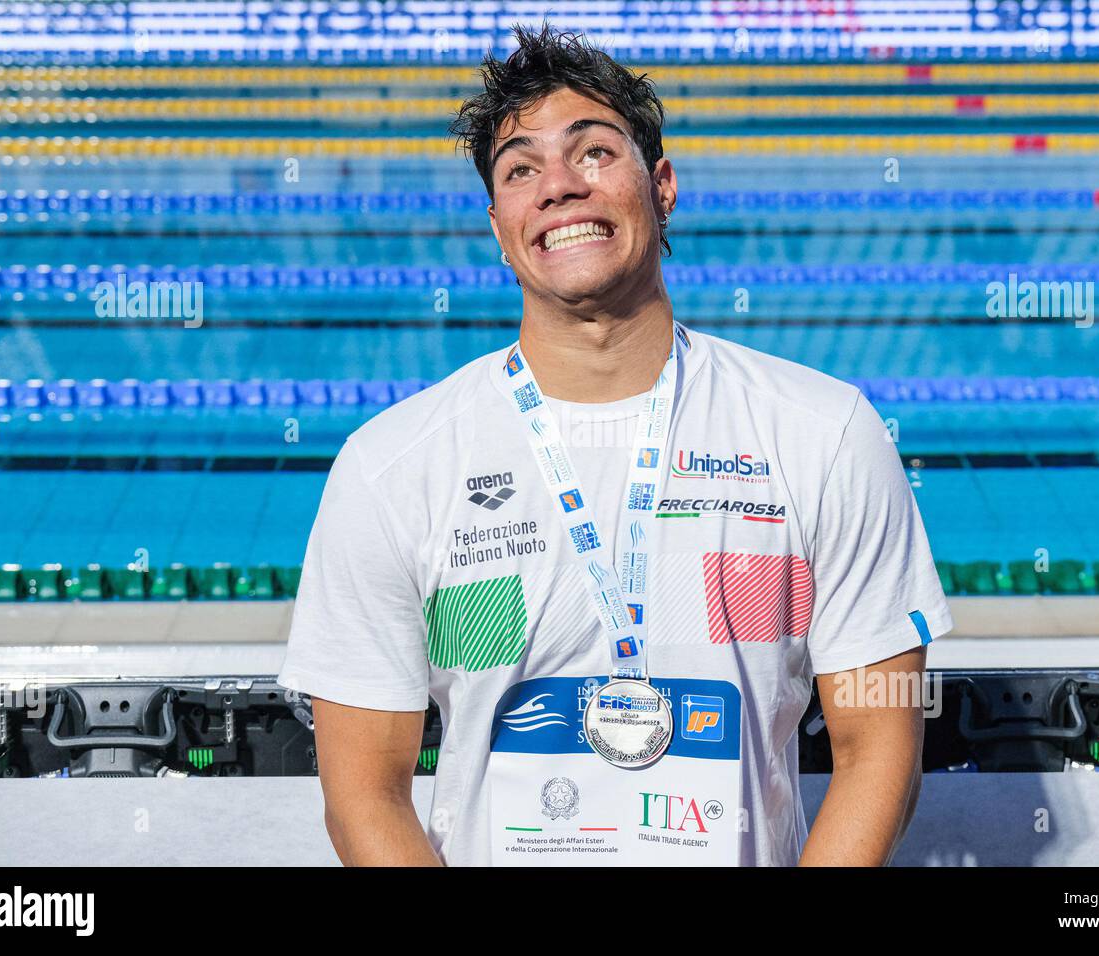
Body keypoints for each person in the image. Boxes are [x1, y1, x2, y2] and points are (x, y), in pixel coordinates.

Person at [277, 23, 952, 867]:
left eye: (593, 152)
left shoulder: (821, 434)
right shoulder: (394, 468)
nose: (557, 186)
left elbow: (877, 749)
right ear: (500, 226)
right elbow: (363, 796)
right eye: (521, 169)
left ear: (662, 186)